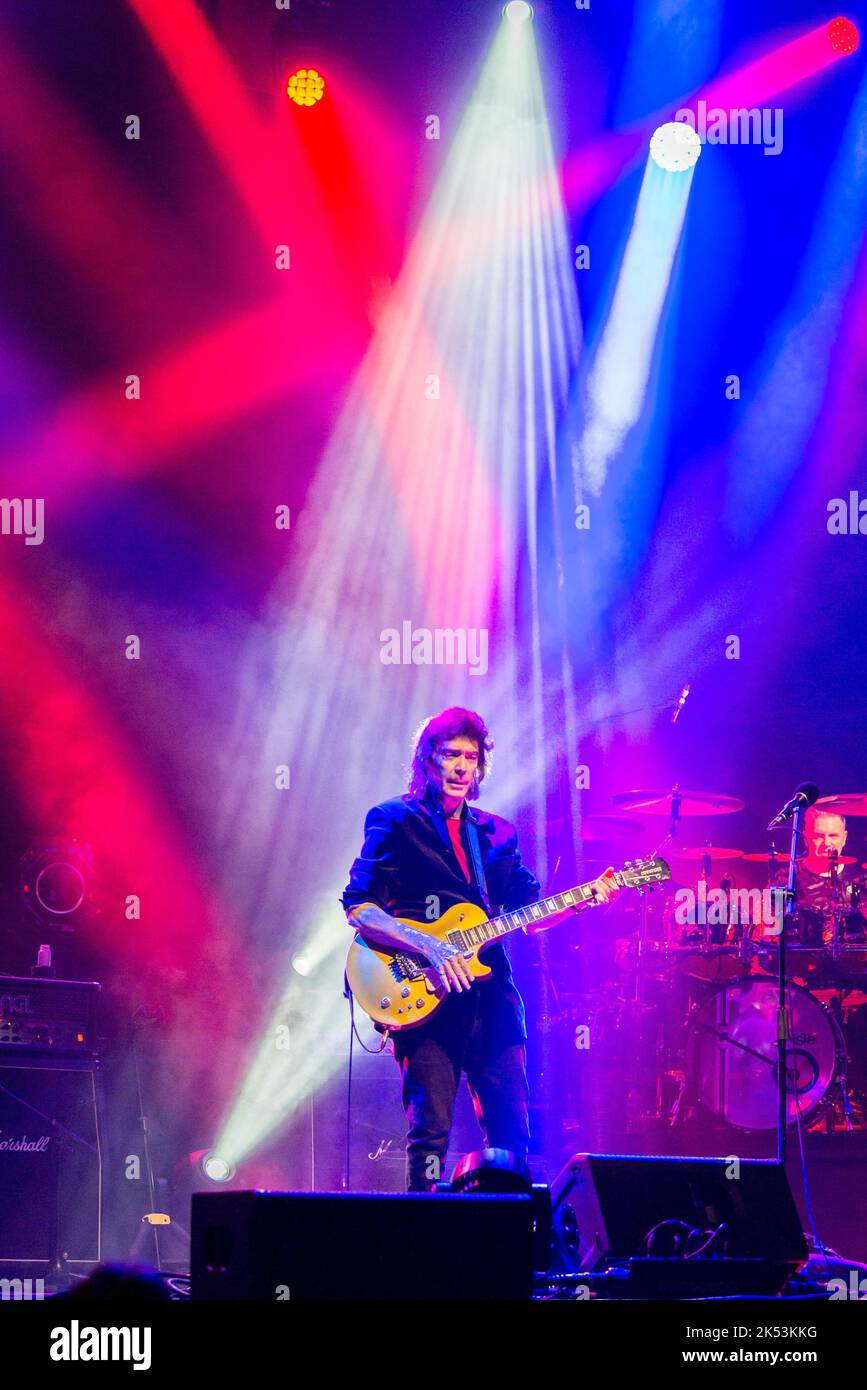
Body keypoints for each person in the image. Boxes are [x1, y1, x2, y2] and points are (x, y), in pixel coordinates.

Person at [341, 706, 620, 1191]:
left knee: (512, 1134)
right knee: (430, 1136)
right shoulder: (394, 819)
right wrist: (430, 945)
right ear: (428, 760)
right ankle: (425, 1247)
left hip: (491, 1001)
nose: (461, 767)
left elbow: (530, 915)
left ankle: (509, 1246)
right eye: (450, 755)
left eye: (470, 757)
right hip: (423, 995)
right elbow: (359, 907)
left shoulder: (496, 833)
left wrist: (586, 898)